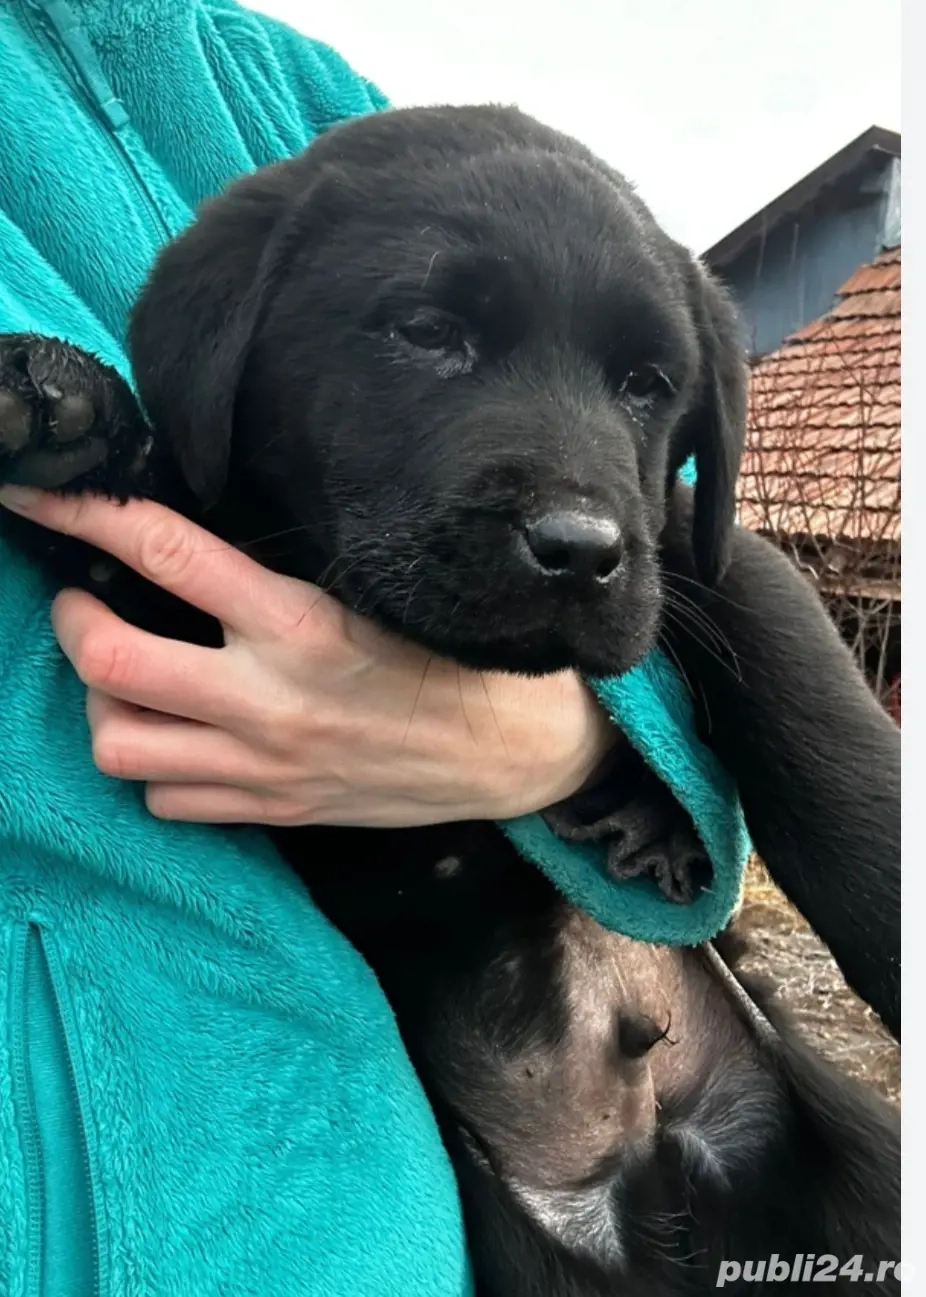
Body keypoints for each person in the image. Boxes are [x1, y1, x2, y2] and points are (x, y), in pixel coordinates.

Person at [0, 3, 624, 1293]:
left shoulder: (293, 86)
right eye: (432, 332)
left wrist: (571, 749)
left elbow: (686, 555)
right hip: (139, 1193)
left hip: (400, 1182)